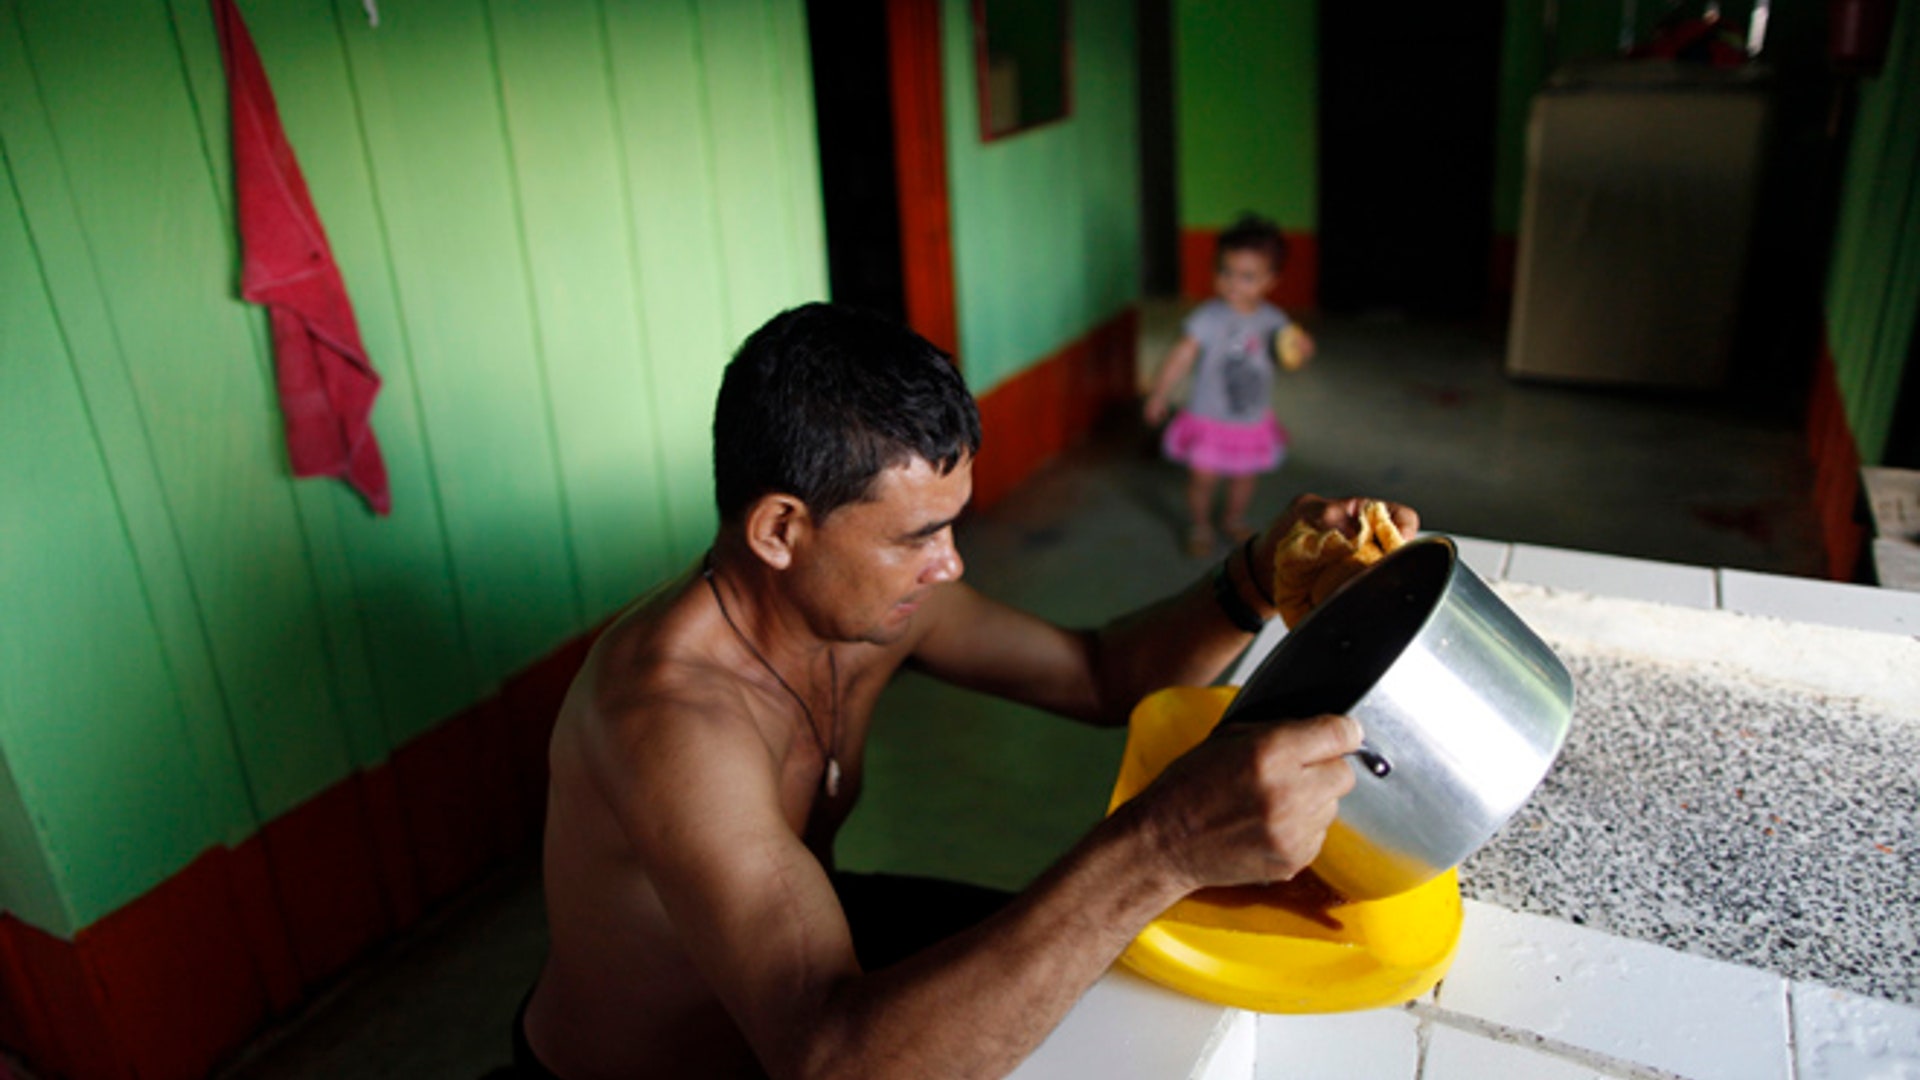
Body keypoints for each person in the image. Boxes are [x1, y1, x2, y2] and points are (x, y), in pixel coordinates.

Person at [517, 302, 1414, 1079]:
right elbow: (830, 1065)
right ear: (782, 529)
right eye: (917, 536)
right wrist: (1164, 844)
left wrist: (1258, 574)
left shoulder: (879, 608)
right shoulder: (668, 717)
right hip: (674, 1073)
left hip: (813, 963)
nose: (950, 564)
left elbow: (1103, 677)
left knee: (1111, 978)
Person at [1144, 214, 1315, 559]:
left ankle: (1233, 519)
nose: (1233, 284)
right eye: (1225, 272)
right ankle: (1200, 525)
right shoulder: (1207, 318)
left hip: (1249, 422)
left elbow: (1291, 355)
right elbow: (1181, 356)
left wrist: (1303, 349)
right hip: (1208, 420)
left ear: (1270, 280)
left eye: (1247, 277)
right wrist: (1159, 393)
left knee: (1243, 480)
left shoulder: (1274, 321)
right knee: (1202, 479)